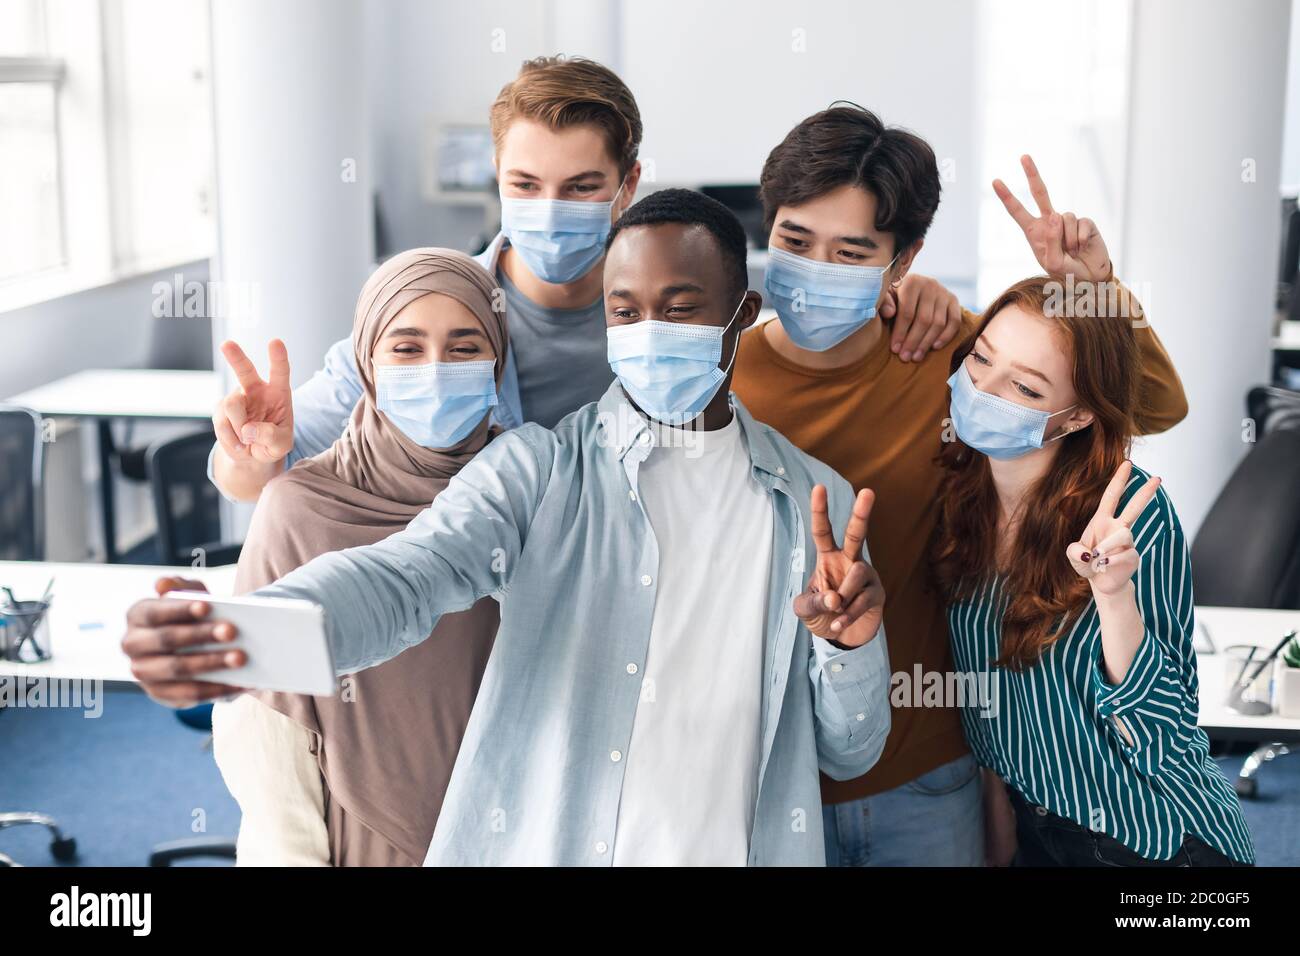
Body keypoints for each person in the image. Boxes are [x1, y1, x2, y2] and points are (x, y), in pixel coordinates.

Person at [121, 190, 892, 866]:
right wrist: (245, 637)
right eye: (625, 311)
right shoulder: (537, 470)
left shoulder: (813, 505)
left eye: (681, 307)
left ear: (742, 314)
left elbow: (850, 753)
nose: (649, 331)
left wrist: (849, 647)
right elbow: (404, 577)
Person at [731, 106, 1190, 866]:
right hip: (769, 780)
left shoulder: (953, 358)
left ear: (902, 261)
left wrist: (1095, 291)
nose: (817, 269)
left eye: (852, 252)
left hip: (924, 774)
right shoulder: (719, 380)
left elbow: (1150, 406)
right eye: (795, 241)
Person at [208, 64, 959, 505]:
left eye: (580, 186)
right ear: (497, 177)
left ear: (627, 183)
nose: (549, 209)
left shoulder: (695, 308)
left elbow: (814, 289)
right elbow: (257, 474)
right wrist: (246, 455)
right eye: (525, 184)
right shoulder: (428, 315)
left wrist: (908, 290)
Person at [933, 272, 1254, 867]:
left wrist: (1113, 596)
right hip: (1036, 829)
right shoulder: (955, 495)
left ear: (1077, 416)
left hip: (1153, 840)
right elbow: (988, 704)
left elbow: (1166, 733)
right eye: (980, 359)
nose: (983, 390)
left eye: (1025, 388)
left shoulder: (1129, 514)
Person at [205, 249, 507, 867]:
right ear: (367, 363)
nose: (435, 370)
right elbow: (265, 739)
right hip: (354, 843)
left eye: (464, 348)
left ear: (498, 362)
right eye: (407, 348)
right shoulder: (300, 509)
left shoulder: (527, 492)